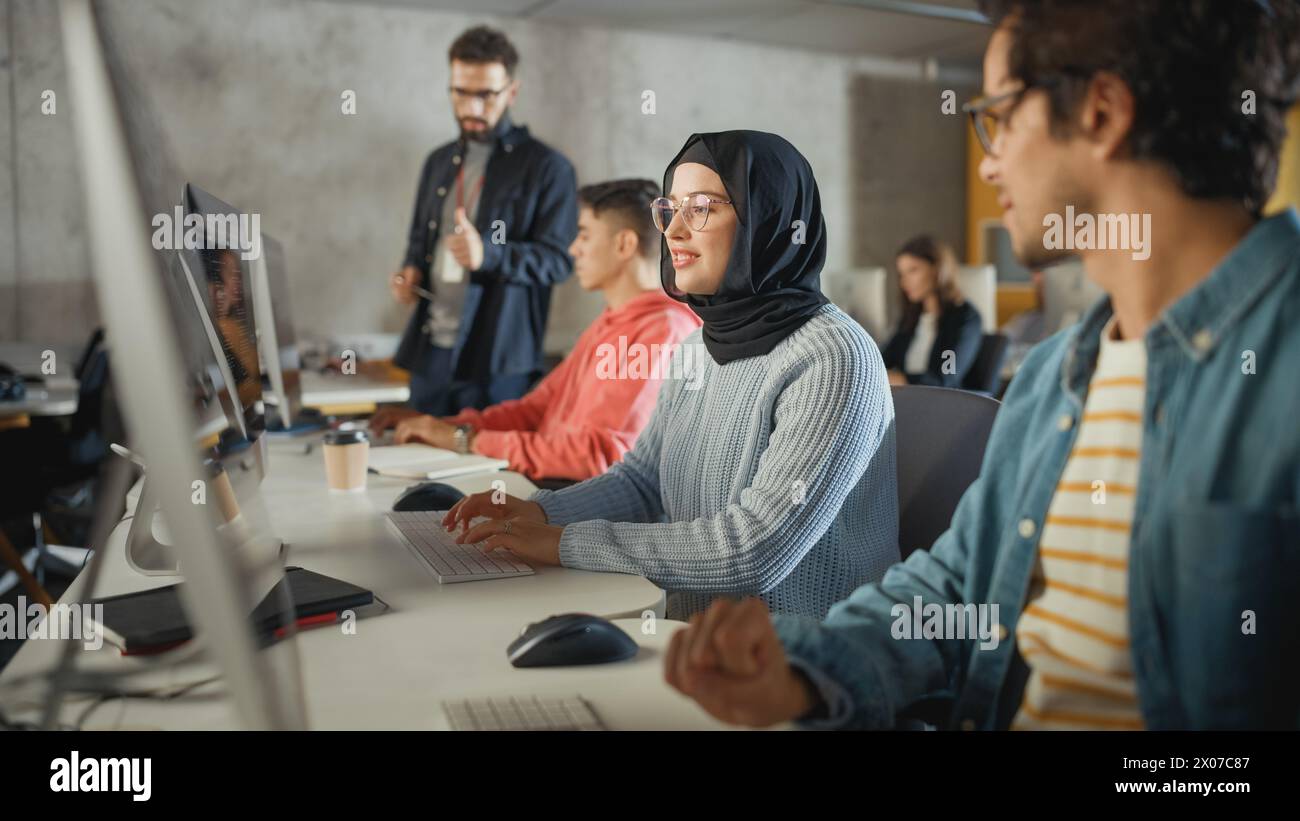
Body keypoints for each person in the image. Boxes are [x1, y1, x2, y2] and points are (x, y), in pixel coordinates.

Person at [664, 0, 1300, 730]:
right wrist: (808, 667)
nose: (989, 159)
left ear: (1101, 112)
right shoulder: (1057, 373)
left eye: (997, 115)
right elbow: (959, 589)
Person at [442, 130, 899, 620]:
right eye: (671, 208)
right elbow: (642, 482)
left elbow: (753, 549)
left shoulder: (832, 356)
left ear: (769, 219)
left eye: (701, 208)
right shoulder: (696, 348)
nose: (673, 230)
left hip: (799, 661)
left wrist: (563, 542)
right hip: (691, 637)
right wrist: (541, 511)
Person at [370, 179, 700, 482]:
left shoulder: (664, 330)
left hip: (577, 507)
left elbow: (597, 456)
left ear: (624, 244)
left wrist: (464, 441)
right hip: (548, 485)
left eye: (584, 234)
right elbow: (536, 410)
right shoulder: (611, 321)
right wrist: (443, 426)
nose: (573, 249)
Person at [388, 25, 577, 415]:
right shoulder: (437, 162)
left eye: (486, 95)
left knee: (491, 475)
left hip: (497, 362)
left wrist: (488, 255)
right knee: (419, 470)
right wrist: (410, 273)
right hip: (431, 354)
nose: (472, 107)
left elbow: (559, 262)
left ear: (512, 91)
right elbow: (417, 243)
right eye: (460, 92)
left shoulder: (548, 168)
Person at [881, 235, 982, 388]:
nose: (904, 282)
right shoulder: (912, 317)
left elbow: (945, 378)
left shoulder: (964, 318)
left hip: (941, 404)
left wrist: (890, 378)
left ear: (937, 269)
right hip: (907, 400)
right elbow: (883, 360)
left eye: (913, 270)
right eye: (902, 274)